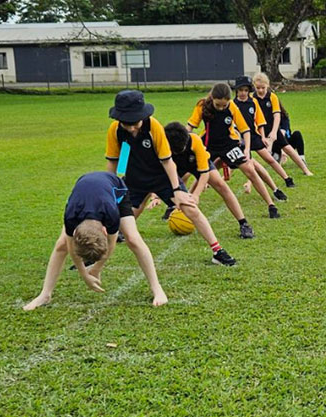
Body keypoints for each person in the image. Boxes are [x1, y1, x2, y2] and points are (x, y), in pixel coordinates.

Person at [103, 89, 239, 269]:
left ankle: (217, 251)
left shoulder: (153, 127)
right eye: (127, 123)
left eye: (135, 122)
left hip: (161, 177)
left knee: (191, 208)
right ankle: (97, 254)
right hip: (135, 179)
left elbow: (168, 162)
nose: (132, 127)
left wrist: (177, 191)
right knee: (117, 217)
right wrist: (113, 190)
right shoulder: (116, 130)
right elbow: (115, 162)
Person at [25, 171, 137, 310]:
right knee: (61, 245)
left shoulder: (111, 214)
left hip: (116, 189)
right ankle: (45, 294)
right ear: (75, 231)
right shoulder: (71, 216)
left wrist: (97, 268)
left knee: (133, 239)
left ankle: (157, 289)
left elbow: (111, 244)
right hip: (82, 193)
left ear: (104, 230)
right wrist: (84, 275)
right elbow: (71, 247)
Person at [188, 82, 283, 220]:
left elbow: (245, 130)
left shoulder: (232, 106)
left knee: (250, 169)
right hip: (208, 146)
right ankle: (183, 203)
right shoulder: (202, 106)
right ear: (212, 98)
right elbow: (190, 127)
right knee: (199, 172)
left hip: (229, 145)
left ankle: (271, 205)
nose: (221, 108)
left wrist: (246, 149)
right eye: (218, 105)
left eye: (224, 105)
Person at [164, 118, 257, 240]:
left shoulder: (195, 140)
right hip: (174, 165)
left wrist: (196, 195)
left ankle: (243, 223)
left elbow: (204, 173)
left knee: (222, 186)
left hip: (196, 162)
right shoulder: (162, 145)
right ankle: (170, 206)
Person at [236, 75, 293, 198]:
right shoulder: (232, 105)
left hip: (254, 136)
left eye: (246, 90)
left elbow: (260, 121)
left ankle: (287, 178)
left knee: (270, 159)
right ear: (236, 91)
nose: (243, 93)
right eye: (240, 90)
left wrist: (262, 137)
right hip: (240, 139)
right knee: (249, 165)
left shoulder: (253, 102)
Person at [254, 73, 315, 178]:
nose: (260, 90)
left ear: (267, 85)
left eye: (263, 88)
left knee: (288, 149)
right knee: (259, 155)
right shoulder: (252, 98)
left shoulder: (272, 97)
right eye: (258, 88)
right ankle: (251, 179)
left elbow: (277, 115)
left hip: (273, 128)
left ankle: (305, 170)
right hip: (259, 131)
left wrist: (274, 132)